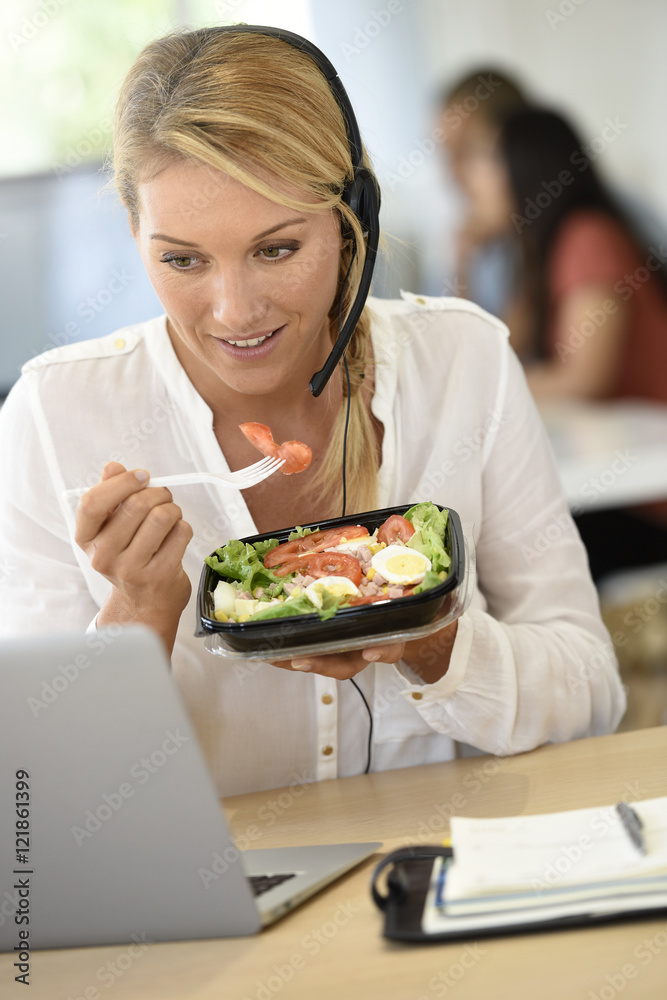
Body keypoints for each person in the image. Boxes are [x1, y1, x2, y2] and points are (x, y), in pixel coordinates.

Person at [0, 27, 624, 796]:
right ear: (136, 235)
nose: (234, 312)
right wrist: (135, 617)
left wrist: (436, 643)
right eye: (182, 259)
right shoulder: (55, 415)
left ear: (348, 217)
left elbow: (593, 695)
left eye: (276, 249)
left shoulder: (463, 363)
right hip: (220, 900)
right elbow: (33, 803)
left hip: (454, 872)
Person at [437, 67, 529, 317]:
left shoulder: (584, 228)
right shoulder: (487, 245)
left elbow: (507, 348)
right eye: (447, 155)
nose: (453, 174)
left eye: (468, 152)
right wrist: (463, 263)